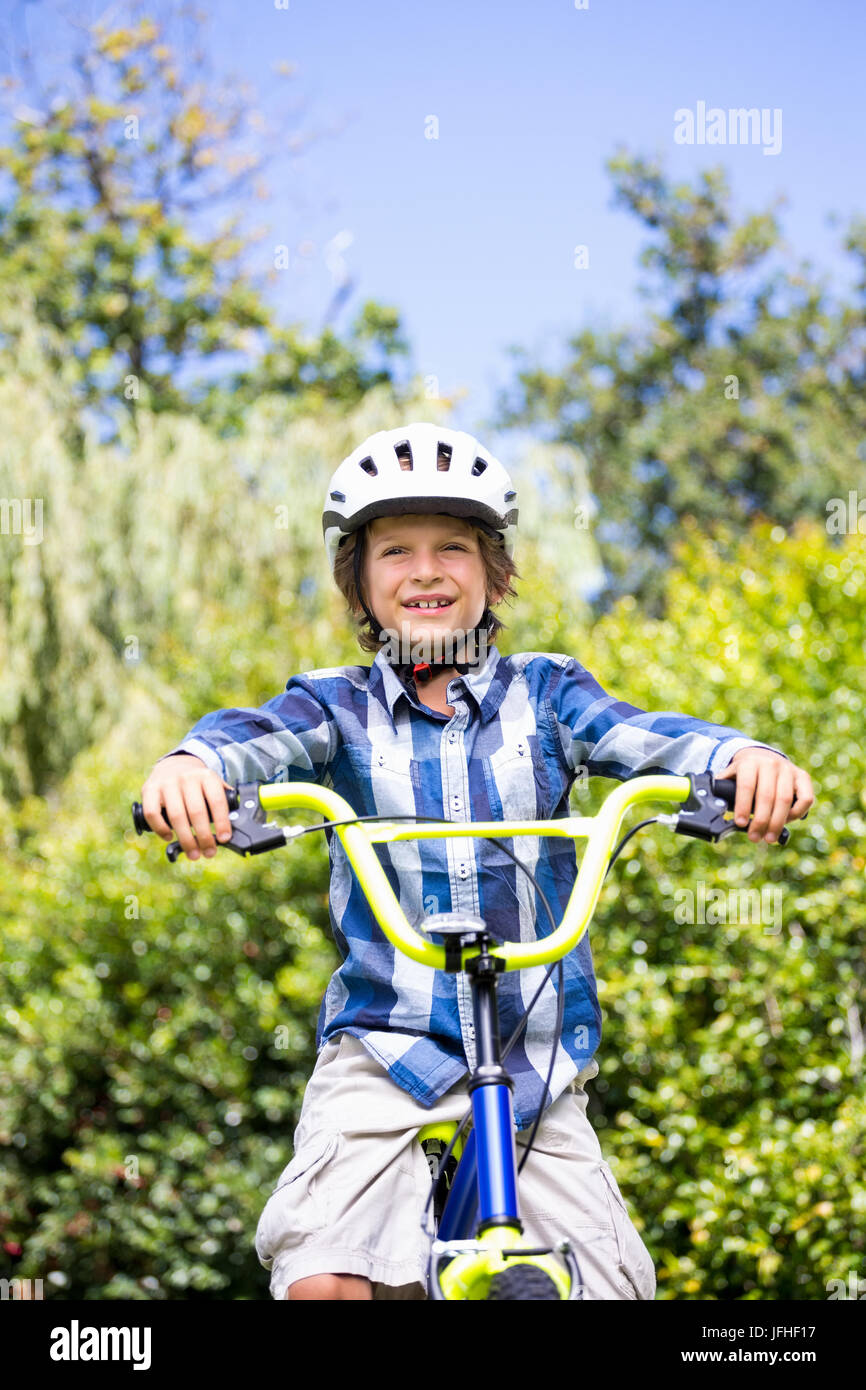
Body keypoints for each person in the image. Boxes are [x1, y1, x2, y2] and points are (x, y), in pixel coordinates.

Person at [139, 422, 814, 1301]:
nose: (425, 571)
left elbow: (644, 739)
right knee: (323, 1273)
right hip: (386, 1052)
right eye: (396, 551)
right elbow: (249, 739)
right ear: (361, 580)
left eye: (453, 547)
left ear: (494, 573)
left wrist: (737, 760)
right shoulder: (333, 706)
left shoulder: (549, 693)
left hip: (535, 1068)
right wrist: (191, 768)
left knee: (600, 1285)